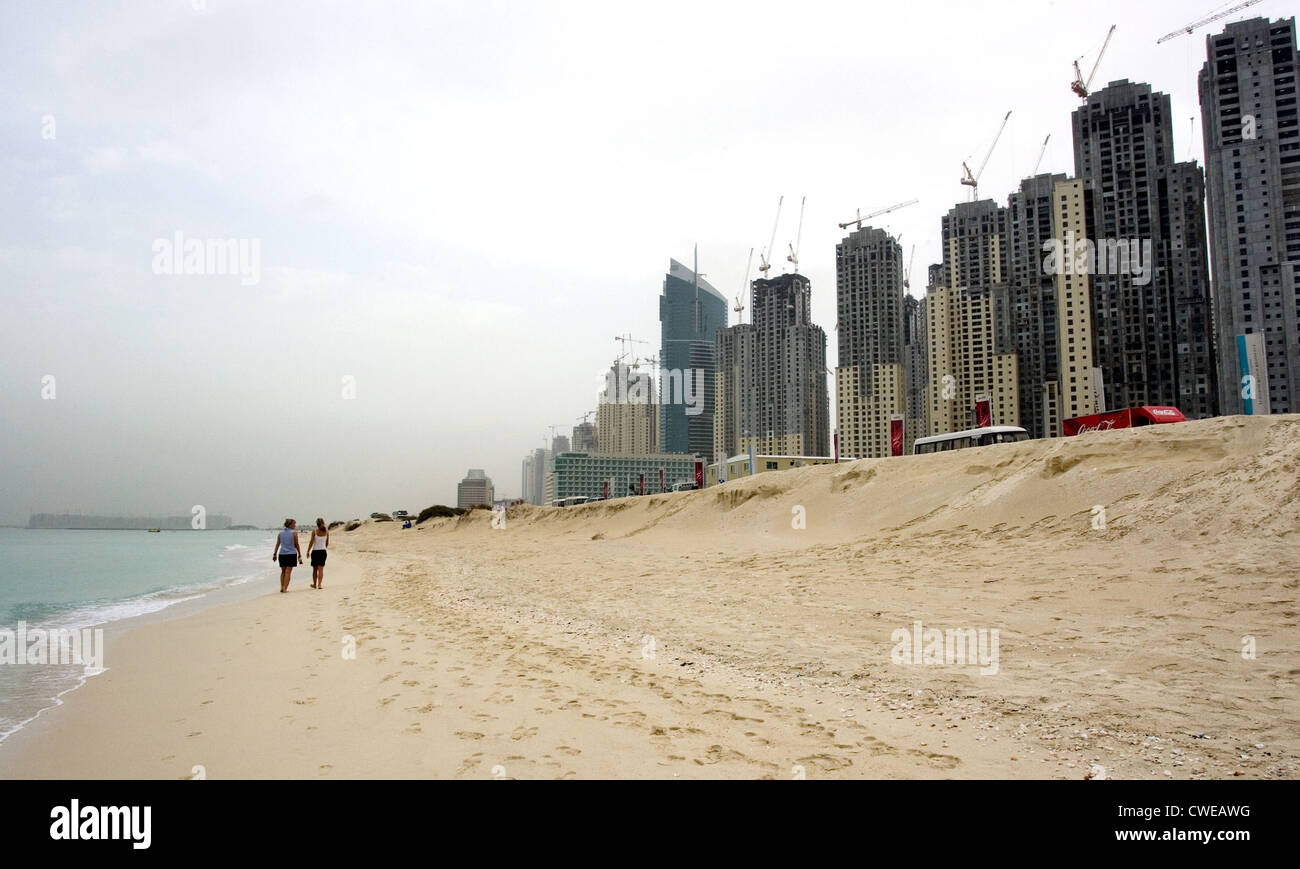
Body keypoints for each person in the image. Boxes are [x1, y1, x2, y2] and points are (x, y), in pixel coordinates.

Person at [273, 518, 302, 593]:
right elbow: (296, 544)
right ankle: (285, 588)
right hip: (291, 554)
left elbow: (277, 544)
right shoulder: (294, 533)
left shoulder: (280, 533)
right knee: (288, 572)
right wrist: (299, 554)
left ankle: (282, 587)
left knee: (283, 571)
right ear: (290, 525)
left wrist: (275, 554)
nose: (295, 525)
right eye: (294, 524)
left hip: (282, 554)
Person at [308, 517, 329, 589]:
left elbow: (311, 542)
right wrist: (324, 548)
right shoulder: (326, 531)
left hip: (315, 551)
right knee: (321, 569)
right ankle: (319, 584)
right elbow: (327, 543)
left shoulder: (314, 532)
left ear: (317, 524)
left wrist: (308, 551)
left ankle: (314, 584)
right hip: (323, 551)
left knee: (314, 569)